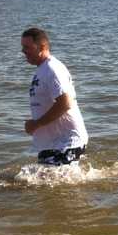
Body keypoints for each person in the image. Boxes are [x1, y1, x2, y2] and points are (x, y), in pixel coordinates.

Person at [21, 27, 89, 166]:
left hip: (66, 142)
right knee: (40, 185)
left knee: (45, 186)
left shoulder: (52, 68)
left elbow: (65, 103)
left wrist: (36, 124)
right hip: (50, 145)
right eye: (22, 47)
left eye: (27, 47)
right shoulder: (42, 69)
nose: (23, 51)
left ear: (43, 46)